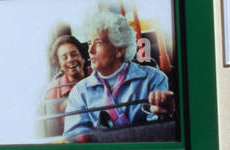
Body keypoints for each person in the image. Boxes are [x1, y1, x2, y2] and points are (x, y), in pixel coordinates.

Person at [63, 11, 174, 142]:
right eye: (89, 43)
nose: (90, 50)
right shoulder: (80, 92)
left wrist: (162, 114)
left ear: (119, 50)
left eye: (98, 43)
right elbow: (74, 141)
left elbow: (160, 133)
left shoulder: (153, 78)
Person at [39, 34, 87, 136]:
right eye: (64, 57)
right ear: (60, 65)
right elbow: (53, 134)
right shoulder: (52, 92)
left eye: (74, 54)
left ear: (82, 57)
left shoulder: (99, 78)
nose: (70, 59)